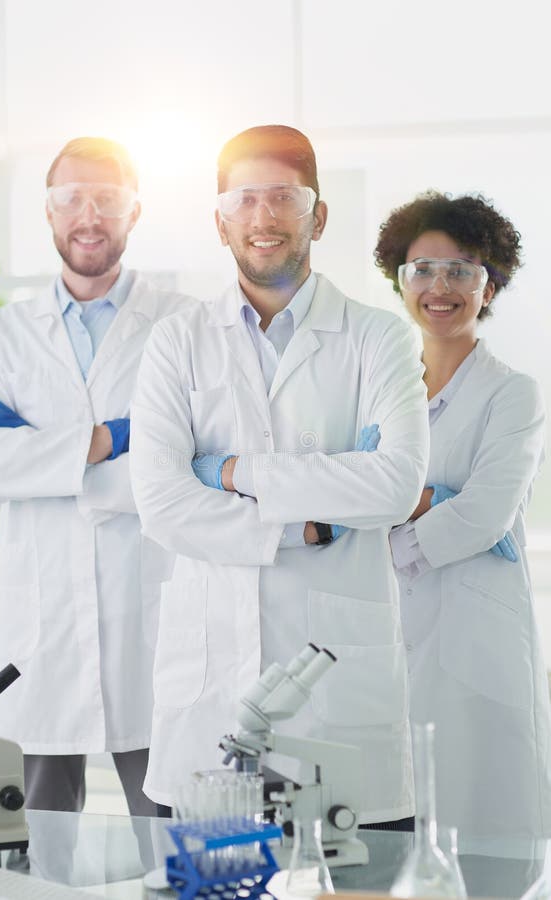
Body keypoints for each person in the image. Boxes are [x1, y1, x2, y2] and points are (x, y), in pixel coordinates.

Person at [130, 124, 430, 826]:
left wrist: (233, 472)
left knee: (353, 878)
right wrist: (305, 523)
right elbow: (163, 504)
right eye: (244, 200)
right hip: (211, 688)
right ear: (219, 220)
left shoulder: (377, 337)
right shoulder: (177, 341)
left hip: (338, 691)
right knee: (215, 878)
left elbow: (392, 485)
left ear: (317, 215)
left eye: (284, 199)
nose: (263, 218)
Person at [0, 136, 194, 815]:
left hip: (151, 610)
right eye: (70, 198)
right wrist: (110, 439)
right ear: (48, 213)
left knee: (168, 831)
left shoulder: (182, 325)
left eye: (107, 198)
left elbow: (184, 471)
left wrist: (48, 460)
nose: (88, 215)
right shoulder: (3, 335)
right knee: (38, 842)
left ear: (134, 211)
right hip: (41, 624)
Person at [375, 191, 551, 850]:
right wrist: (424, 496)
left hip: (476, 640)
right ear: (398, 280)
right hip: (388, 636)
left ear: (490, 283)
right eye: (421, 269)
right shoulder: (381, 386)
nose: (438, 287)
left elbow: (483, 512)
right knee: (390, 839)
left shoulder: (512, 392)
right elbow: (350, 491)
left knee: (482, 841)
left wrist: (394, 519)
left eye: (460, 270)